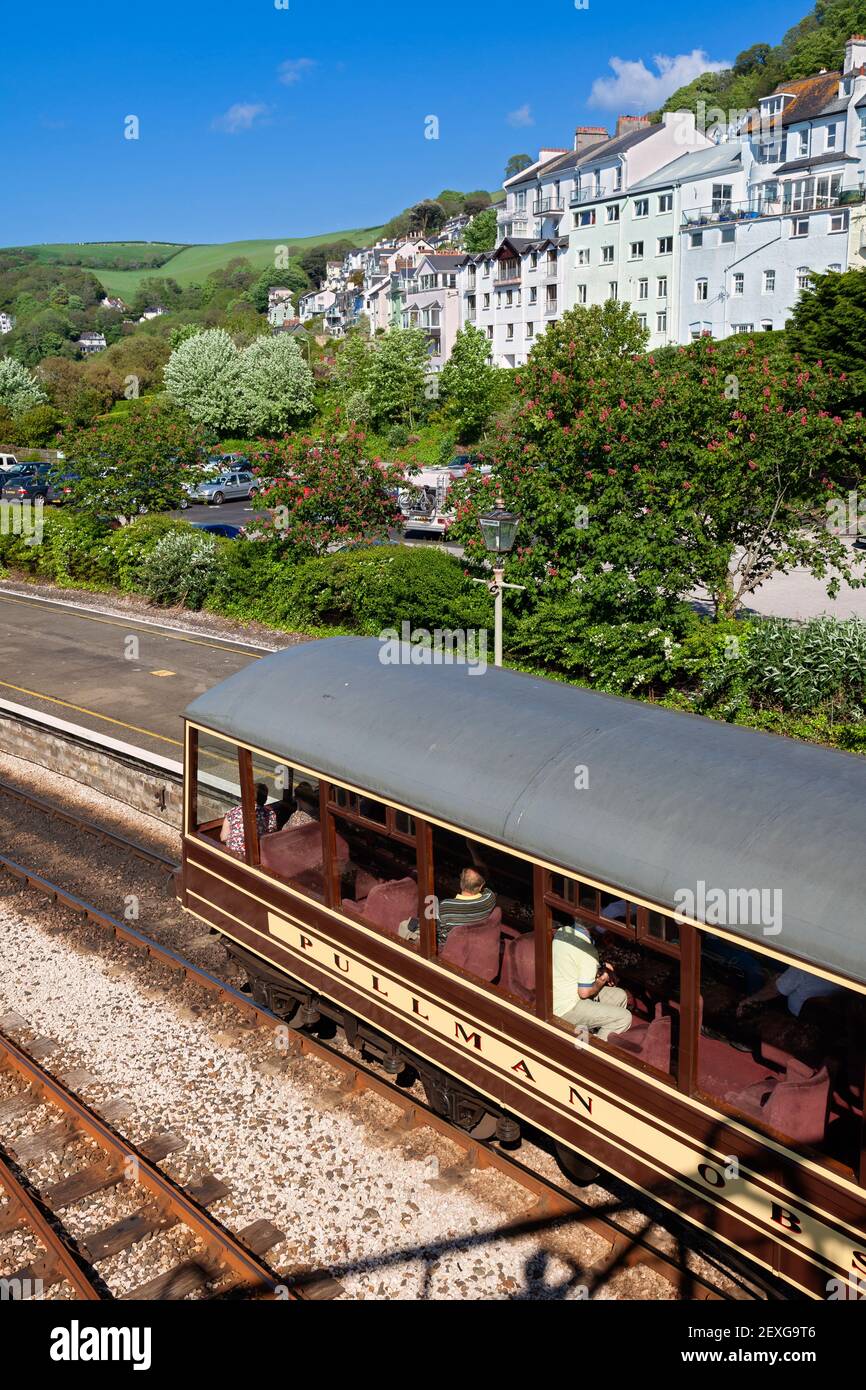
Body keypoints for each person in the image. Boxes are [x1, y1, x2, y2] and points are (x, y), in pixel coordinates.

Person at [552, 918, 632, 1040]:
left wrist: (601, 966)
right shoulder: (588, 951)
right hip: (565, 1008)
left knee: (620, 996)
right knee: (624, 1018)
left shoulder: (562, 931)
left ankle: (595, 1030)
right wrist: (602, 980)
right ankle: (595, 1046)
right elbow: (584, 993)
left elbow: (575, 959)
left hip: (557, 994)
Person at [397, 866, 496, 945]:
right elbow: (484, 873)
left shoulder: (446, 906)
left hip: (444, 947)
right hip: (468, 944)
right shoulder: (489, 898)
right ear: (481, 886)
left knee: (406, 926)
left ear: (460, 882)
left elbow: (433, 931)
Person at [736, 965, 843, 1020]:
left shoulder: (805, 965)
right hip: (823, 1016)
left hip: (798, 1017)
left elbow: (774, 991)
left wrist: (750, 1000)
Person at [220, 783, 277, 858]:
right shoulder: (269, 814)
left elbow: (223, 837)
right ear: (265, 799)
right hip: (254, 857)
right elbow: (270, 838)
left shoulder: (233, 811)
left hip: (231, 855)